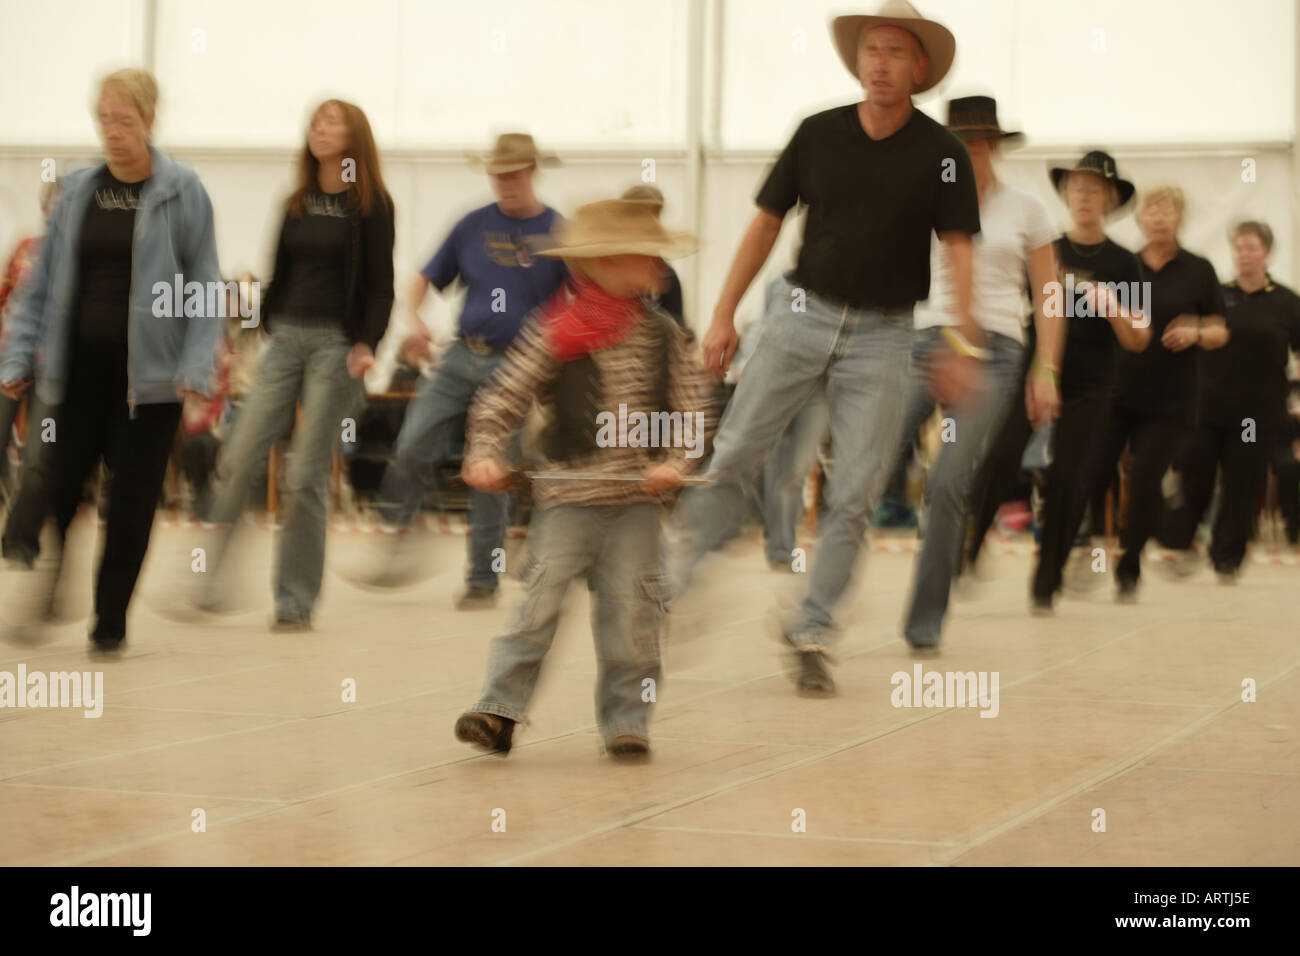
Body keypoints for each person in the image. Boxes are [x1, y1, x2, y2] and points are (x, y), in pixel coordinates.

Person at [673, 0, 982, 695]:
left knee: (855, 494)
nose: (880, 62)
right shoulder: (816, 134)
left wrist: (961, 341)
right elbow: (763, 226)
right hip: (799, 314)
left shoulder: (944, 155)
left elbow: (960, 251)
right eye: (871, 49)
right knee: (736, 454)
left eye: (896, 52)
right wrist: (722, 316)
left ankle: (811, 628)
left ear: (919, 68)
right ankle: (666, 588)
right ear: (858, 61)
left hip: (884, 336)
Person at [453, 198, 712, 758]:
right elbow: (503, 397)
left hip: (636, 506)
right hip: (566, 503)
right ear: (606, 263)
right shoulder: (552, 332)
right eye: (648, 257)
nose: (659, 268)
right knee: (536, 608)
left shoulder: (665, 334)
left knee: (634, 614)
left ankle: (627, 720)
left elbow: (692, 410)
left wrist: (677, 462)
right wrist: (485, 452)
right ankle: (498, 710)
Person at [0, 68, 222, 651]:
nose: (113, 131)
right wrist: (19, 353)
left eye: (125, 120)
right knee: (58, 483)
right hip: (77, 369)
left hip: (151, 380)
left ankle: (110, 617)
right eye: (105, 119)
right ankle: (51, 587)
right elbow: (40, 285)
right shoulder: (78, 190)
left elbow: (204, 286)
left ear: (149, 121)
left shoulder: (182, 190)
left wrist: (196, 367)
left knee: (131, 502)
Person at [173, 98, 394, 630]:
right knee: (240, 453)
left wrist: (368, 342)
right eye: (315, 121)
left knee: (304, 475)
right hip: (285, 337)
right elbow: (279, 270)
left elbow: (381, 287)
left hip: (335, 345)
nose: (320, 128)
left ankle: (294, 602)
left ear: (354, 136)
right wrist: (257, 324)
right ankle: (210, 580)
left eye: (332, 121)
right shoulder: (297, 199)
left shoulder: (372, 205)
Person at [363, 133, 569, 606]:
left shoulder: (559, 232)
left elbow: (575, 303)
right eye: (498, 175)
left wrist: (555, 366)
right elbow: (424, 277)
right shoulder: (472, 224)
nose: (505, 183)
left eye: (514, 174)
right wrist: (411, 317)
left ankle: (482, 578)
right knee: (413, 441)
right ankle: (399, 534)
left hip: (517, 366)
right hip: (461, 354)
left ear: (532, 172)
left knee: (490, 472)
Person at [894, 96, 1061, 651]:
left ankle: (925, 622)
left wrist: (1046, 370)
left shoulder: (1028, 208)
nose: (967, 151)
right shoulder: (921, 201)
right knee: (867, 461)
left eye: (977, 141)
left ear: (993, 144)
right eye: (957, 142)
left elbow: (1050, 296)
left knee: (948, 483)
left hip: (997, 352)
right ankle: (818, 614)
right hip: (926, 343)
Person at [1087, 186, 1226, 599]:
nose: (1159, 218)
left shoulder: (1198, 270)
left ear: (1179, 218)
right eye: (1152, 210)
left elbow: (1221, 330)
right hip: (1117, 390)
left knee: (1146, 478)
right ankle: (1094, 541)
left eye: (1167, 210)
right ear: (1139, 219)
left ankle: (1129, 566)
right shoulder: (1123, 265)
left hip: (1170, 399)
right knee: (1095, 468)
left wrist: (1197, 330)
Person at [1027, 150, 1150, 612]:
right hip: (1040, 369)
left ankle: (1047, 577)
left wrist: (1111, 305)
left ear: (1109, 199)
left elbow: (1139, 338)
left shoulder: (1122, 263)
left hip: (1095, 383)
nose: (1083, 196)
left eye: (1093, 190)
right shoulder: (1047, 249)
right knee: (1000, 453)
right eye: (1076, 188)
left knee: (1071, 478)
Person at [1162, 221, 1300, 580]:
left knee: (1242, 480)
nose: (1243, 254)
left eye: (1250, 247)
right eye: (1238, 247)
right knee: (1195, 475)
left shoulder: (1287, 302)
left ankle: (1227, 556)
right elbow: (1190, 334)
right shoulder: (1217, 295)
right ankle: (1179, 544)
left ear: (1266, 253)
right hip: (1208, 407)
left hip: (1255, 416)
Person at [0, 180, 60, 558]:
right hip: (11, 365)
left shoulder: (84, 257)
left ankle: (20, 538)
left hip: (53, 373)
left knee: (40, 457)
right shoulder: (25, 248)